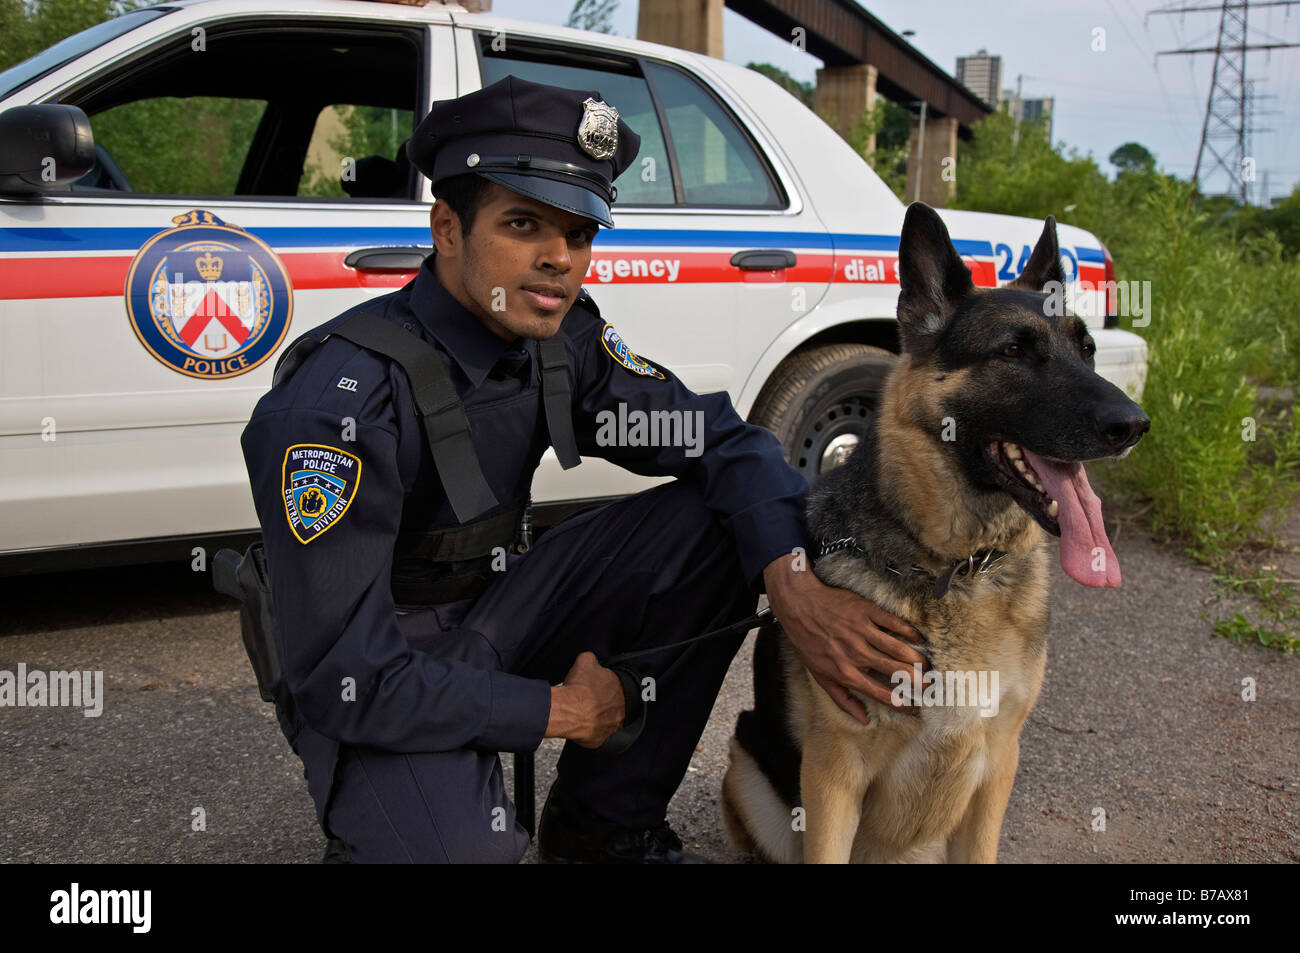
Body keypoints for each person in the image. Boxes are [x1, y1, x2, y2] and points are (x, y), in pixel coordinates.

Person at [239, 75, 926, 864]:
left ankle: (603, 826)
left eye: (581, 232)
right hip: (379, 655)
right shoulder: (338, 405)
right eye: (524, 223)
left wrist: (792, 582)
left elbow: (724, 441)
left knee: (724, 518)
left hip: (496, 606)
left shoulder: (556, 342)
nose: (559, 258)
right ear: (448, 229)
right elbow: (342, 674)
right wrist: (559, 709)